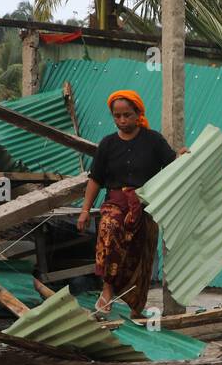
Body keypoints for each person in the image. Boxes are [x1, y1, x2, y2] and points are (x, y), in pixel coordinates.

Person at [76, 90, 182, 317]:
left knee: (141, 255)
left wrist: (181, 158)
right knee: (109, 229)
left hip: (145, 205)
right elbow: (95, 179)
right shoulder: (107, 144)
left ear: (138, 114)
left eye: (127, 115)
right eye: (117, 116)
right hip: (115, 203)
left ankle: (136, 310)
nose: (122, 120)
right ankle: (107, 289)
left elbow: (172, 164)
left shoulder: (153, 140)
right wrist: (85, 210)